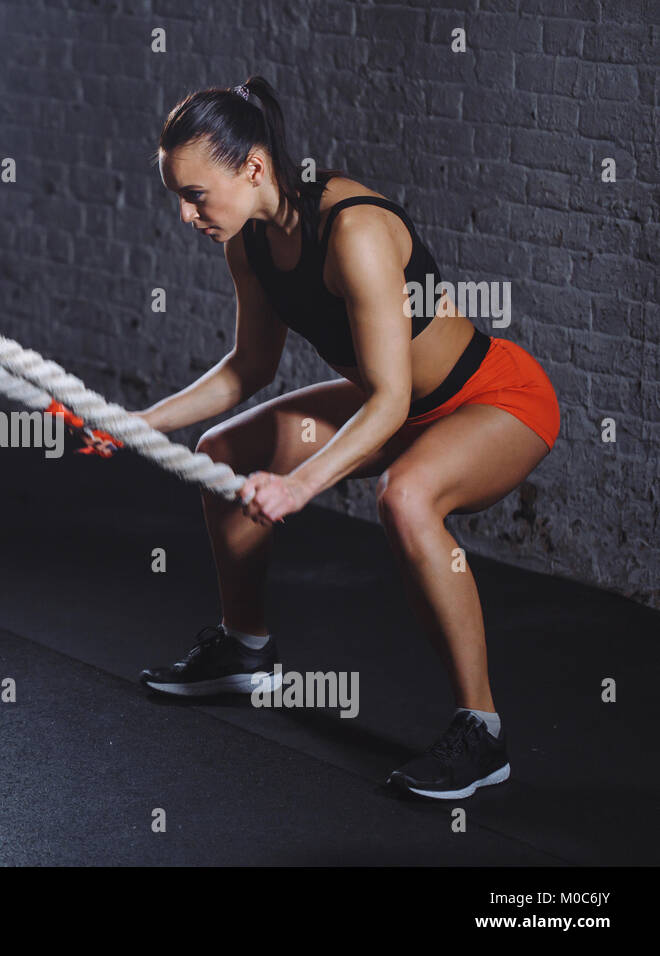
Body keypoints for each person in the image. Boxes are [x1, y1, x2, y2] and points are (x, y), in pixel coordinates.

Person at [128, 76, 560, 800]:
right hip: (397, 406)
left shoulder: (353, 231)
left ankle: (481, 732)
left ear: (254, 168)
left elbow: (390, 401)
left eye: (196, 194)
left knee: (407, 498)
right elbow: (248, 369)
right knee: (223, 455)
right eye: (178, 194)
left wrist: (300, 485)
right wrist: (130, 425)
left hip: (491, 398)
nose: (185, 213)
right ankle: (246, 648)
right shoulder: (250, 243)